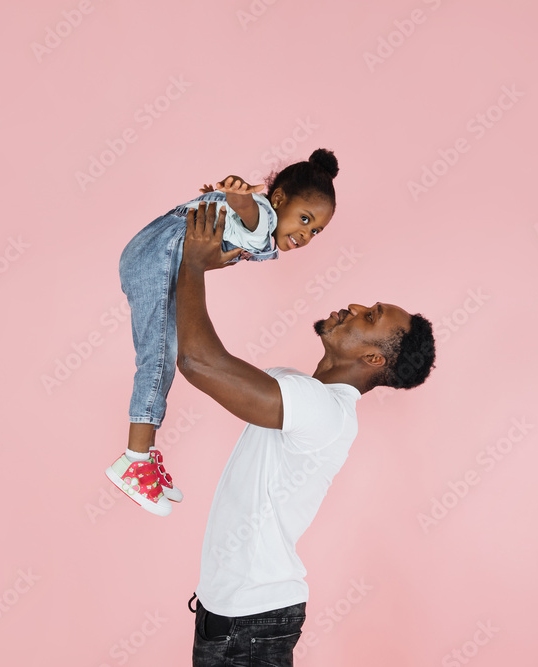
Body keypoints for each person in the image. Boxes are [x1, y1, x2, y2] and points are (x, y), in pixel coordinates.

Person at [175, 202, 436, 666]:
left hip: (251, 625)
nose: (355, 307)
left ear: (375, 360)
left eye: (370, 316)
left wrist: (191, 265)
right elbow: (207, 359)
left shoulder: (326, 411)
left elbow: (199, 361)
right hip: (231, 618)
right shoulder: (300, 392)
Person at [105, 149, 341, 517]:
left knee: (164, 351)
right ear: (278, 200)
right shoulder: (262, 216)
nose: (306, 235)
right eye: (304, 219)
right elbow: (250, 214)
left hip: (153, 253)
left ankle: (145, 457)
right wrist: (238, 196)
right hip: (156, 257)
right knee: (159, 357)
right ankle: (134, 461)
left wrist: (225, 201)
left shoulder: (263, 223)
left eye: (315, 230)